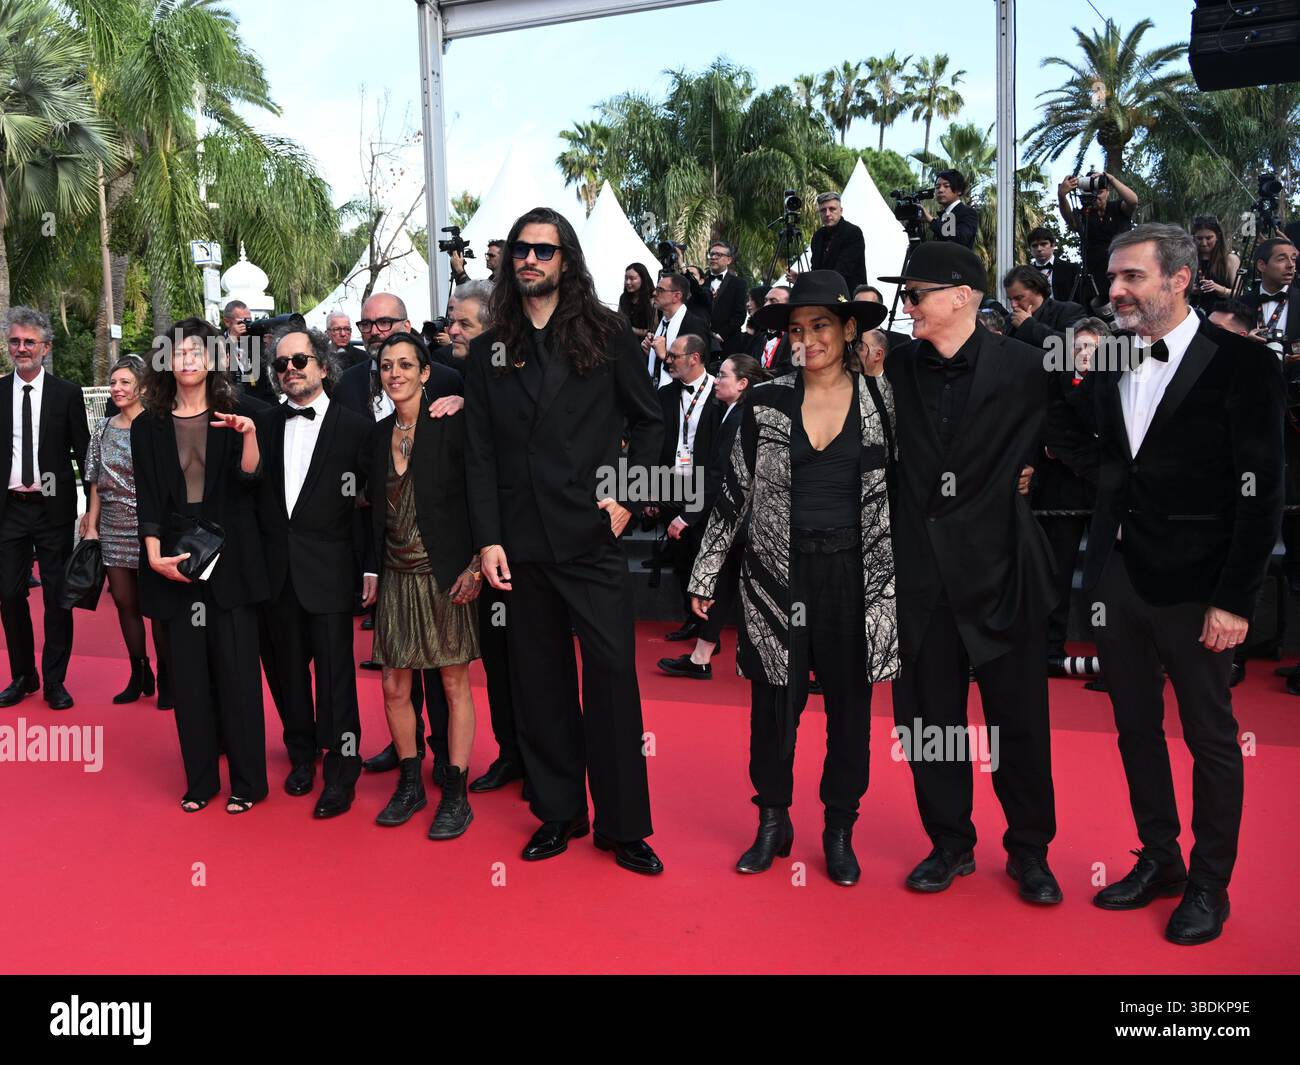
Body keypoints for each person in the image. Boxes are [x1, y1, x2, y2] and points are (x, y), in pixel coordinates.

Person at [1068, 224, 1284, 945]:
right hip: (1120, 578)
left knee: (1211, 737)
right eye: (1113, 277)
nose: (1116, 290)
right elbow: (1109, 462)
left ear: (1181, 278)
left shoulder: (1244, 366)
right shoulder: (1111, 361)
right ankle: (1160, 856)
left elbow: (1260, 496)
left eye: (1131, 276)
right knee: (1134, 729)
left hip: (1200, 589)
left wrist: (1235, 599)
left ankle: (1209, 884)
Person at [465, 206, 666, 875]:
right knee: (540, 684)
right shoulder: (491, 346)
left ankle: (624, 824)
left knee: (611, 680)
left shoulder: (608, 334)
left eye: (543, 251)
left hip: (590, 535)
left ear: (567, 260)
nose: (529, 260)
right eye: (520, 250)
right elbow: (482, 454)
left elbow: (652, 421)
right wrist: (488, 539)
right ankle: (558, 812)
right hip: (521, 545)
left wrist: (627, 496)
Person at [688, 270, 894, 885]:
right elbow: (733, 495)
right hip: (777, 573)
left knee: (850, 708)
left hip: (858, 577)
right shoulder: (765, 401)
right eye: (798, 329)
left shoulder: (882, 400)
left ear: (849, 328)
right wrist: (705, 573)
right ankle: (773, 819)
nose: (808, 339)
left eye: (822, 325)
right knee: (774, 704)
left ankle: (839, 826)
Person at [875, 242, 1062, 903]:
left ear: (960, 295)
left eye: (916, 293)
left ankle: (1030, 851)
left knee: (1020, 726)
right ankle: (950, 843)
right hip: (920, 579)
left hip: (1002, 572)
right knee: (931, 724)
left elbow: (1072, 443)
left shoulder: (1026, 365)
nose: (908, 305)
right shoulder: (894, 367)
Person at [132, 318, 268, 813]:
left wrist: (250, 435)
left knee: (237, 674)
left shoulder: (240, 414)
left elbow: (253, 483)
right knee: (188, 678)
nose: (187, 359)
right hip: (175, 557)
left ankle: (249, 782)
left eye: (196, 351)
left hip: (231, 559)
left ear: (213, 358)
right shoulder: (149, 424)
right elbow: (147, 494)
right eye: (177, 352)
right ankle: (201, 780)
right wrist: (151, 552)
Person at [334, 292, 462, 782]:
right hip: (384, 543)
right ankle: (404, 748)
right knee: (398, 670)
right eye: (368, 324)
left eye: (385, 321)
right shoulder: (346, 384)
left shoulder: (448, 380)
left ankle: (448, 758)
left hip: (439, 550)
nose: (375, 330)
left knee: (446, 671)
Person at [363, 332, 481, 838]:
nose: (396, 374)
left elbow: (480, 494)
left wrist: (476, 564)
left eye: (406, 364)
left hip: (445, 574)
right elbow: (370, 515)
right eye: (387, 366)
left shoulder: (452, 425)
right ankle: (411, 783)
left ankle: (455, 792)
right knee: (394, 685)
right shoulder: (376, 435)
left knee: (453, 682)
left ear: (425, 372)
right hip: (395, 574)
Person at [255, 324, 373, 819]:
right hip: (276, 573)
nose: (289, 371)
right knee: (286, 673)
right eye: (281, 364)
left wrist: (370, 568)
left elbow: (368, 507)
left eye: (299, 361)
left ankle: (343, 769)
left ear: (324, 366)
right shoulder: (262, 424)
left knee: (336, 678)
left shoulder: (355, 427)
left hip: (330, 570)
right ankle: (301, 755)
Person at [0, 307, 90, 710]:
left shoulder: (67, 394)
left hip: (53, 511)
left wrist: (94, 511)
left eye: (29, 342)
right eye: (15, 341)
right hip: (8, 509)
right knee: (9, 593)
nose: (21, 348)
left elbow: (85, 453)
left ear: (46, 347)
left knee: (57, 596)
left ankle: (55, 679)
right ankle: (23, 676)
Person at [658, 353, 769, 678]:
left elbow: (720, 475)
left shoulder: (740, 418)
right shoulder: (735, 413)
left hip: (749, 520)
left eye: (723, 375)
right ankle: (701, 656)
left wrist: (687, 517)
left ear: (742, 384)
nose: (716, 380)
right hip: (744, 519)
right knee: (722, 584)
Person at [82, 355, 172, 707]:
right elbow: (94, 480)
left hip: (150, 527)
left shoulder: (158, 426)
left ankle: (168, 674)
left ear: (142, 387)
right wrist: (91, 522)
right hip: (112, 526)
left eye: (124, 383)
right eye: (113, 382)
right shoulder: (102, 428)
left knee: (157, 607)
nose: (116, 389)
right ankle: (139, 671)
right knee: (124, 603)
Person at [1039, 318, 1107, 673]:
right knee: (1056, 572)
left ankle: (1114, 654)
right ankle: (1049, 650)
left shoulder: (1118, 384)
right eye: (1078, 348)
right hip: (1061, 493)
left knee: (1105, 577)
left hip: (1102, 493)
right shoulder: (1055, 382)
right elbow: (1052, 433)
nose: (1083, 354)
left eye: (1091, 349)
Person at [651, 333, 721, 644]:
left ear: (694, 358)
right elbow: (655, 444)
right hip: (673, 485)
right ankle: (691, 618)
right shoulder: (665, 394)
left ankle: (709, 627)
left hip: (706, 486)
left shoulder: (720, 394)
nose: (667, 360)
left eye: (674, 356)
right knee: (681, 557)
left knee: (705, 557)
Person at [1057, 171, 1138, 306]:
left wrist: (1110, 178)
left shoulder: (1117, 208)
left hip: (1123, 271)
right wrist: (1061, 196)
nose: (1096, 196)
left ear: (1107, 192)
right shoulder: (1085, 214)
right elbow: (1070, 220)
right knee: (1081, 313)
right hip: (1094, 275)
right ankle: (1071, 329)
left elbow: (1133, 201)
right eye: (1091, 192)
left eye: (1099, 192)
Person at [643, 273, 710, 389]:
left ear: (676, 296)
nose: (654, 293)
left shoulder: (695, 325)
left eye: (660, 290)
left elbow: (698, 367)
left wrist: (664, 356)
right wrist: (651, 353)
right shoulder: (663, 323)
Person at [789, 193, 867, 292]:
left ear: (841, 211)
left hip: (850, 296)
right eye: (823, 210)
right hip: (824, 296)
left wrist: (806, 280)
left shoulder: (853, 232)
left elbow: (842, 272)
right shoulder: (818, 236)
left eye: (832, 209)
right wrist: (802, 279)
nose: (827, 214)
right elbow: (816, 270)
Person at [1002, 265, 1086, 349]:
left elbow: (1077, 346)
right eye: (1010, 299)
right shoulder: (1010, 320)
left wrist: (1028, 326)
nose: (1013, 305)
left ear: (1037, 289)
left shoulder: (1068, 311)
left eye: (1019, 298)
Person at [1246, 237, 1298, 341]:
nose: (1291, 265)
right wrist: (1245, 342)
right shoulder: (1241, 303)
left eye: (1293, 259)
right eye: (1282, 259)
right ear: (1262, 265)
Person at [705, 241, 747, 352]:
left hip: (728, 343)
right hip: (702, 342)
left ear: (729, 260)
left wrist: (721, 335)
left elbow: (740, 315)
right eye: (711, 254)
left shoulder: (739, 283)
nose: (713, 257)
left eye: (718, 255)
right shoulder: (702, 282)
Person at [1191, 216, 1241, 310]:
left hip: (1221, 316)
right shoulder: (1189, 259)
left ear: (1218, 236)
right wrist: (1190, 290)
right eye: (1199, 238)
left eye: (1209, 238)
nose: (1204, 243)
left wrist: (1220, 289)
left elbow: (1239, 293)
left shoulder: (1230, 260)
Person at [922, 169, 979, 249]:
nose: (940, 190)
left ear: (959, 190)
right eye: (937, 187)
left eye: (946, 186)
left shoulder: (968, 213)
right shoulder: (942, 216)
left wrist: (932, 221)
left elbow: (961, 238)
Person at [1025, 227, 1080, 303]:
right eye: (1034, 245)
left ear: (1053, 245)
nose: (1039, 249)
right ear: (1030, 249)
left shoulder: (1071, 269)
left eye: (1043, 244)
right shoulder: (1026, 273)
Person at [618, 262, 656, 340]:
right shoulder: (624, 298)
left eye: (632, 279)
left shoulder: (652, 300)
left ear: (643, 279)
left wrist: (629, 329)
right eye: (626, 278)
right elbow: (620, 319)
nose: (627, 282)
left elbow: (653, 331)